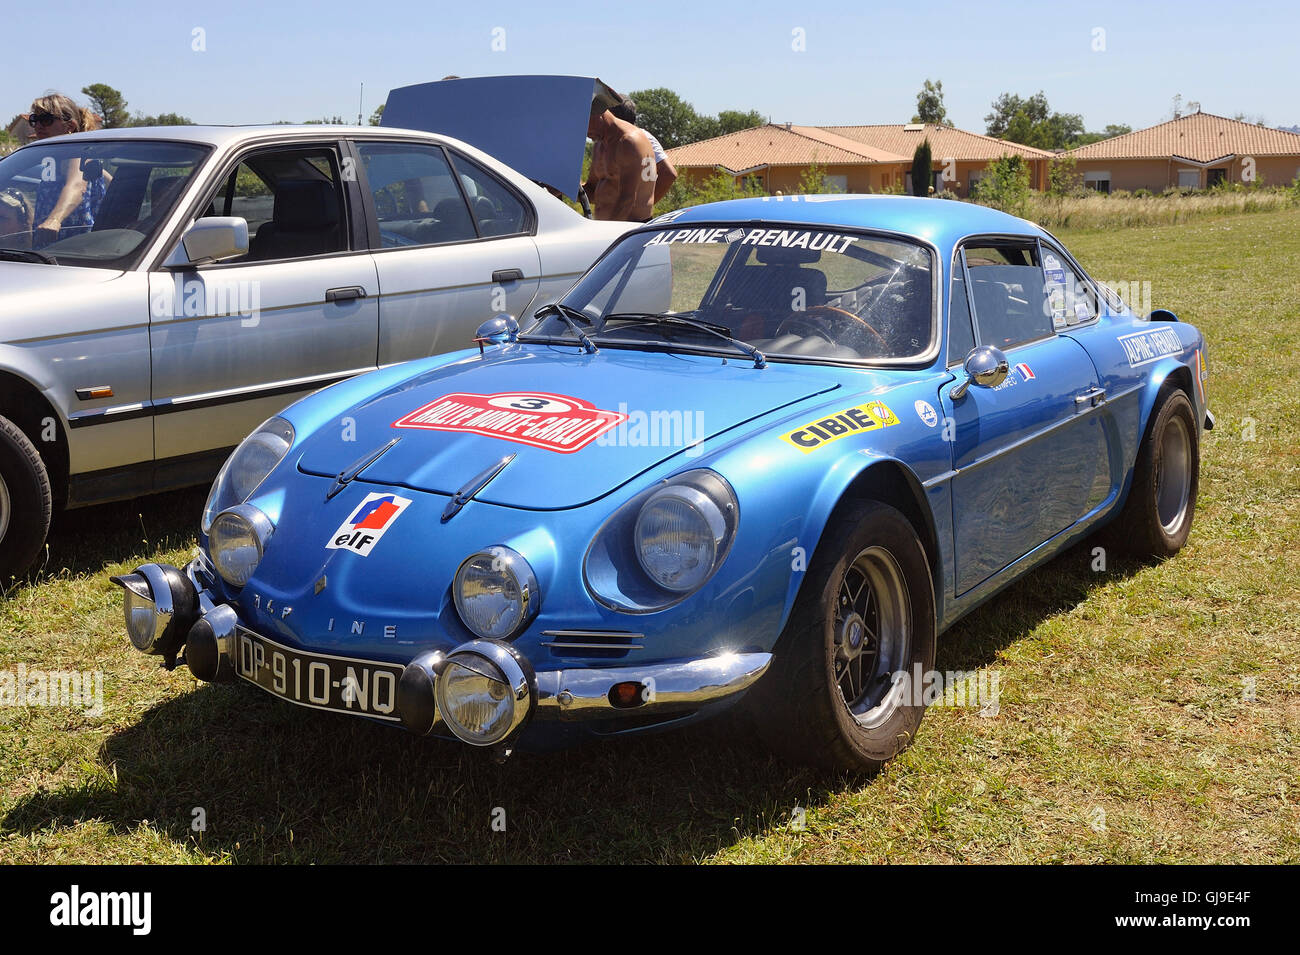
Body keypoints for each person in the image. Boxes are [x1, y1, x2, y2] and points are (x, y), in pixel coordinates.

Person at [27, 93, 105, 248]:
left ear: (70, 126)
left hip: (72, 251)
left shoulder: (77, 155)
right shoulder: (58, 160)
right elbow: (107, 180)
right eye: (35, 119)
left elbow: (76, 186)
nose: (38, 126)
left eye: (46, 119)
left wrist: (54, 220)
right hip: (48, 250)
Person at [583, 105, 655, 222]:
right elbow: (591, 190)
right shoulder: (599, 144)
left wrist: (609, 230)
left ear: (599, 114)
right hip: (607, 226)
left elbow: (627, 199)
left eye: (584, 123)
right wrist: (561, 188)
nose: (584, 132)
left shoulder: (629, 141)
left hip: (630, 227)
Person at [610, 98, 677, 204]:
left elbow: (668, 174)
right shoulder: (614, 141)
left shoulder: (642, 138)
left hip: (631, 213)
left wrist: (642, 206)